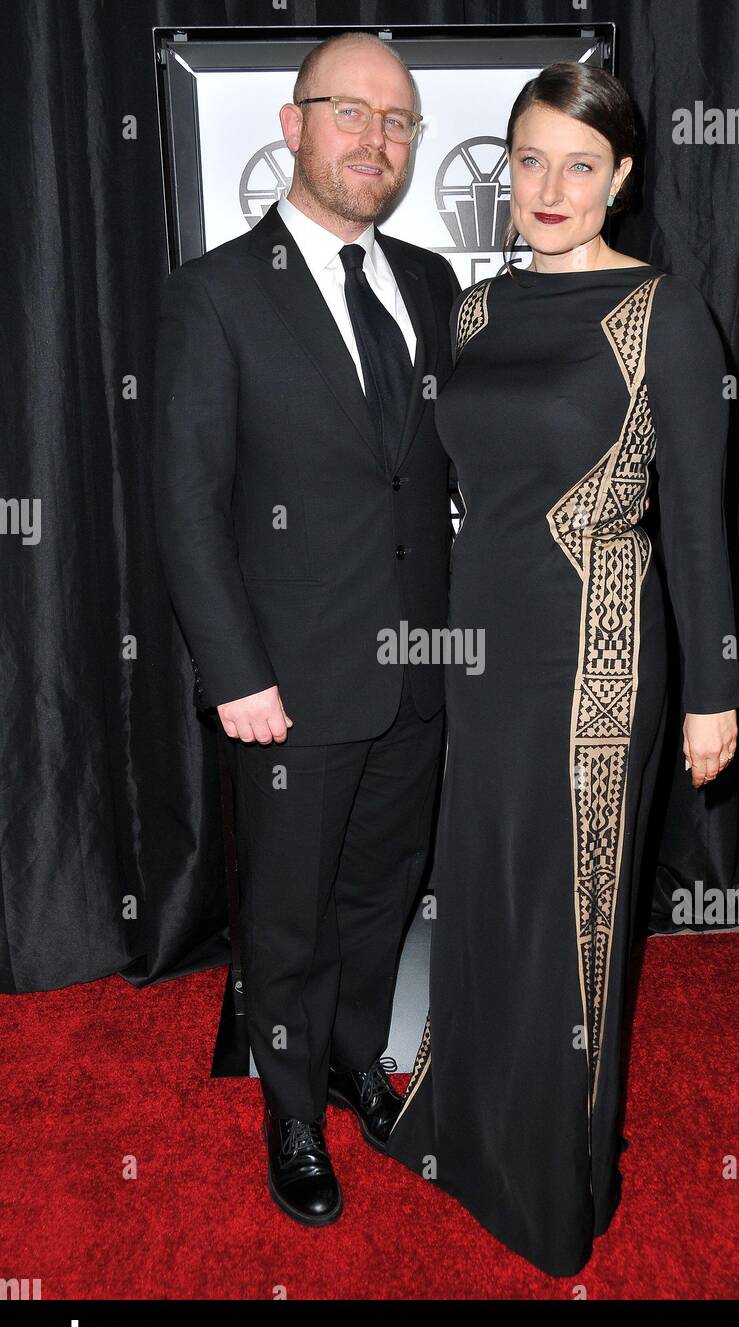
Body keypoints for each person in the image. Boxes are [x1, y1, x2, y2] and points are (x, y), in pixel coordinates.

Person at [385, 61, 739, 1276]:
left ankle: (549, 1177)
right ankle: (466, 1129)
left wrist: (713, 689)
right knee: (481, 893)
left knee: (569, 915)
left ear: (621, 178)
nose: (548, 188)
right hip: (483, 656)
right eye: (527, 160)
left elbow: (695, 517)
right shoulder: (475, 313)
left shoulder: (661, 316)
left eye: (578, 165)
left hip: (594, 661)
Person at [153, 31, 461, 1226]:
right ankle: (289, 1108)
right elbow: (182, 503)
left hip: (417, 674)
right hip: (284, 683)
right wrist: (233, 672)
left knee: (381, 893)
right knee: (285, 915)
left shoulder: (433, 284)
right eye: (351, 113)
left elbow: (446, 475)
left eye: (396, 121)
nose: (375, 139)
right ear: (293, 127)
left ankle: (346, 1059)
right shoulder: (215, 293)